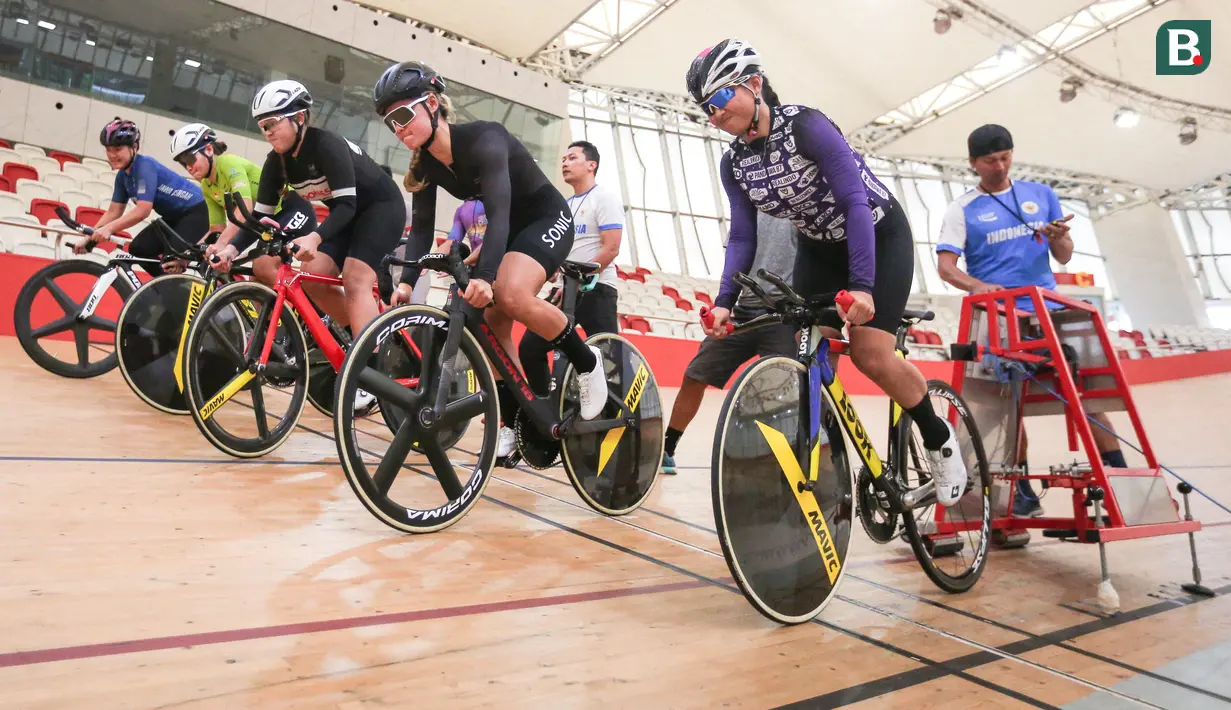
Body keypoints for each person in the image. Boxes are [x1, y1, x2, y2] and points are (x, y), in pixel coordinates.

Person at [687, 39, 968, 506]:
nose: (713, 115)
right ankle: (825, 463)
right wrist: (723, 302)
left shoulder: (806, 126)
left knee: (870, 355)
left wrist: (861, 285)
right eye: (705, 109)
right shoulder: (734, 163)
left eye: (718, 100)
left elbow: (855, 201)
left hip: (876, 236)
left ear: (754, 85)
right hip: (817, 251)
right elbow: (742, 238)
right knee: (810, 359)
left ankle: (937, 437)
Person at [377, 60, 608, 459]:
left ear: (431, 103)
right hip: (511, 229)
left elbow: (499, 214)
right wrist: (404, 281)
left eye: (401, 115)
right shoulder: (427, 164)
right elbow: (420, 229)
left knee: (511, 295)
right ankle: (517, 414)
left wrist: (485, 275)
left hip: (544, 218)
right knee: (486, 324)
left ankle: (588, 363)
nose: (397, 128)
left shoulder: (486, 139)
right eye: (389, 122)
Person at [937, 124, 1127, 518]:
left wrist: (1058, 237)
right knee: (1011, 408)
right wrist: (979, 287)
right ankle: (1020, 491)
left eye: (1006, 156)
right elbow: (946, 268)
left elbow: (1064, 256)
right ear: (973, 164)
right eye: (991, 160)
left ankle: (1121, 480)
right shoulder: (962, 209)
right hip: (1002, 320)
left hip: (1049, 314)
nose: (1000, 165)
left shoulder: (1042, 195)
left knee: (1085, 398)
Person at [215, 79, 406, 341]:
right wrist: (230, 250)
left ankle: (368, 366)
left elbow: (347, 204)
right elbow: (260, 217)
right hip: (346, 218)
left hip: (382, 209)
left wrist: (315, 237)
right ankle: (359, 343)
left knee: (355, 279)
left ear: (300, 117)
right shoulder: (276, 162)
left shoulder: (327, 145)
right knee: (312, 277)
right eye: (262, 126)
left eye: (272, 123)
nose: (267, 132)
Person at [661, 211, 799, 474]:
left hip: (784, 315)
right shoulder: (747, 210)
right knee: (695, 374)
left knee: (784, 392)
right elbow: (734, 260)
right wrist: (724, 303)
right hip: (743, 310)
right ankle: (668, 447)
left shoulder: (799, 207)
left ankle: (784, 462)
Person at [518, 140, 624, 397]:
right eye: (563, 159)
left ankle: (615, 416)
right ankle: (544, 411)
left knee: (610, 359)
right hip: (563, 290)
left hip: (597, 289)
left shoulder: (605, 198)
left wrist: (581, 276)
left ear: (591, 165)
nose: (565, 162)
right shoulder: (564, 205)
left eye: (572, 158)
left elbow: (611, 248)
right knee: (530, 347)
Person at [168, 122, 317, 285]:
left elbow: (245, 207)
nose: (188, 167)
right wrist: (188, 256)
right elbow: (217, 231)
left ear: (209, 150)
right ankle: (273, 310)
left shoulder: (228, 163)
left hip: (292, 208)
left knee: (262, 266)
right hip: (268, 221)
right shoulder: (207, 185)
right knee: (256, 279)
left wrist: (222, 244)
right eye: (183, 163)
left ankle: (307, 304)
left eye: (191, 159)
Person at [74, 119, 209, 276]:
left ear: (135, 147)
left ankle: (176, 291)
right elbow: (113, 212)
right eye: (108, 150)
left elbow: (143, 210)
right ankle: (169, 292)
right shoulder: (122, 177)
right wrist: (90, 239)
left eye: (117, 149)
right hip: (174, 217)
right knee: (139, 248)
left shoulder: (145, 166)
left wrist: (109, 229)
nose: (111, 155)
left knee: (170, 260)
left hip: (197, 212)